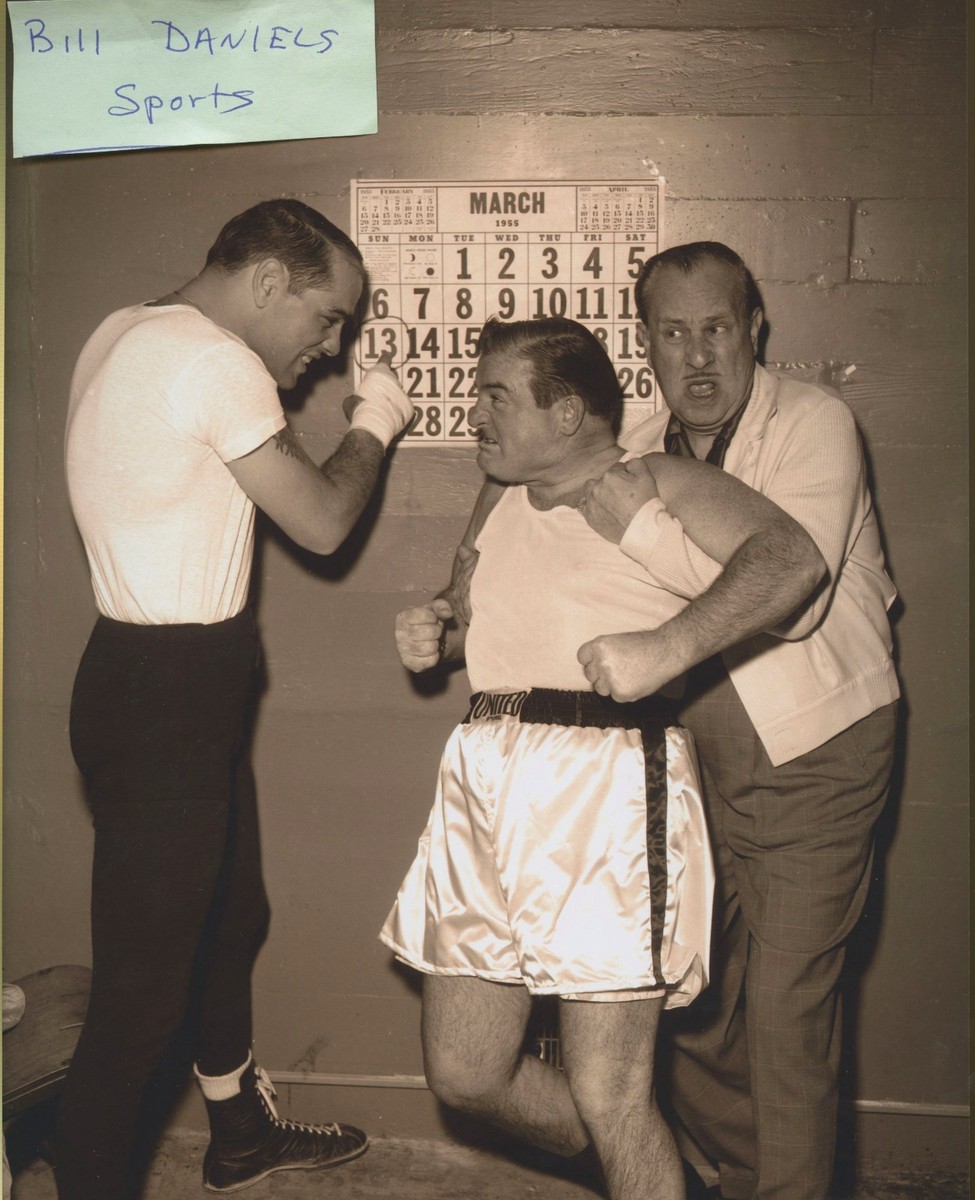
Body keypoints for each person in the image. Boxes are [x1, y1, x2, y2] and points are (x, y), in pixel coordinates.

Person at [382, 317, 825, 1200]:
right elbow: (496, 609)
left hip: (607, 787)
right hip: (485, 776)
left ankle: (645, 1171)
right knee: (467, 1074)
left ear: (570, 410)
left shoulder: (656, 479)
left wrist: (669, 645)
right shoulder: (500, 489)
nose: (475, 413)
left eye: (496, 396)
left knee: (610, 1090)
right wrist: (442, 631)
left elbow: (793, 559)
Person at [60, 198, 415, 1199]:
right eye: (328, 317)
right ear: (270, 282)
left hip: (161, 683)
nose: (331, 347)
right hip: (168, 694)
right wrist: (376, 422)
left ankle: (238, 1134)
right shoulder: (214, 360)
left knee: (230, 912)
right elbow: (324, 520)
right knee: (140, 1007)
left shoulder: (123, 330)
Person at [581, 242, 901, 1200]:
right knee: (685, 1009)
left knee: (786, 1018)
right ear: (645, 343)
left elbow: (790, 596)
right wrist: (456, 602)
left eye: (716, 328)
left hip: (817, 753)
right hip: (685, 761)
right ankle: (757, 1172)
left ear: (753, 326)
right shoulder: (632, 439)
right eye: (672, 334)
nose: (698, 358)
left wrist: (639, 527)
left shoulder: (816, 423)